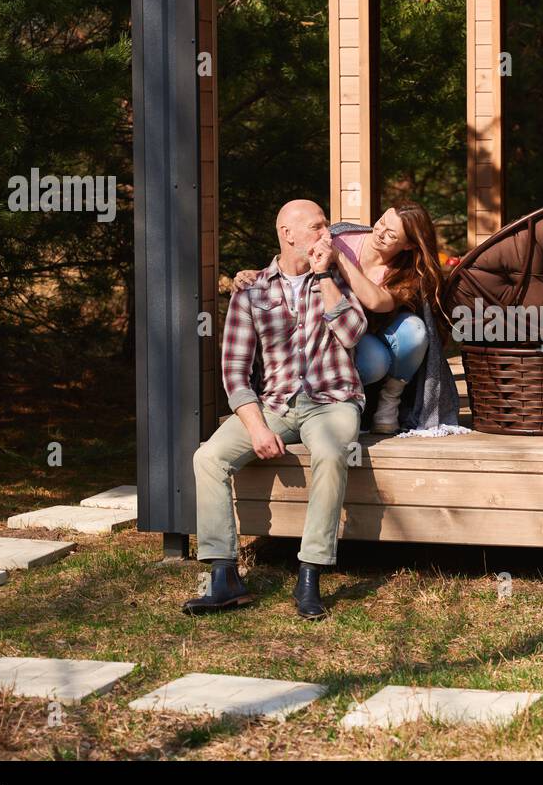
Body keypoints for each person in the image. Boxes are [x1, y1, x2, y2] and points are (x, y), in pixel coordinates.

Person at [185, 199, 366, 619]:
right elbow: (234, 371)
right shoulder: (251, 290)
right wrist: (256, 427)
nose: (327, 235)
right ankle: (224, 576)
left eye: (327, 228)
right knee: (208, 458)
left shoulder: (337, 276)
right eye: (318, 227)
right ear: (288, 234)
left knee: (330, 453)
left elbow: (354, 334)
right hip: (275, 404)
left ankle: (310, 573)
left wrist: (325, 277)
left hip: (332, 400)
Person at [235, 201, 452, 434]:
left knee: (416, 331)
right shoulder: (343, 238)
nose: (379, 233)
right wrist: (258, 275)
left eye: (391, 234)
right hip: (341, 332)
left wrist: (339, 257)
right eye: (380, 223)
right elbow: (295, 266)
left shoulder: (409, 271)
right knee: (376, 362)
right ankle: (346, 402)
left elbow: (377, 302)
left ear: (408, 245)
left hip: (379, 330)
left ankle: (390, 400)